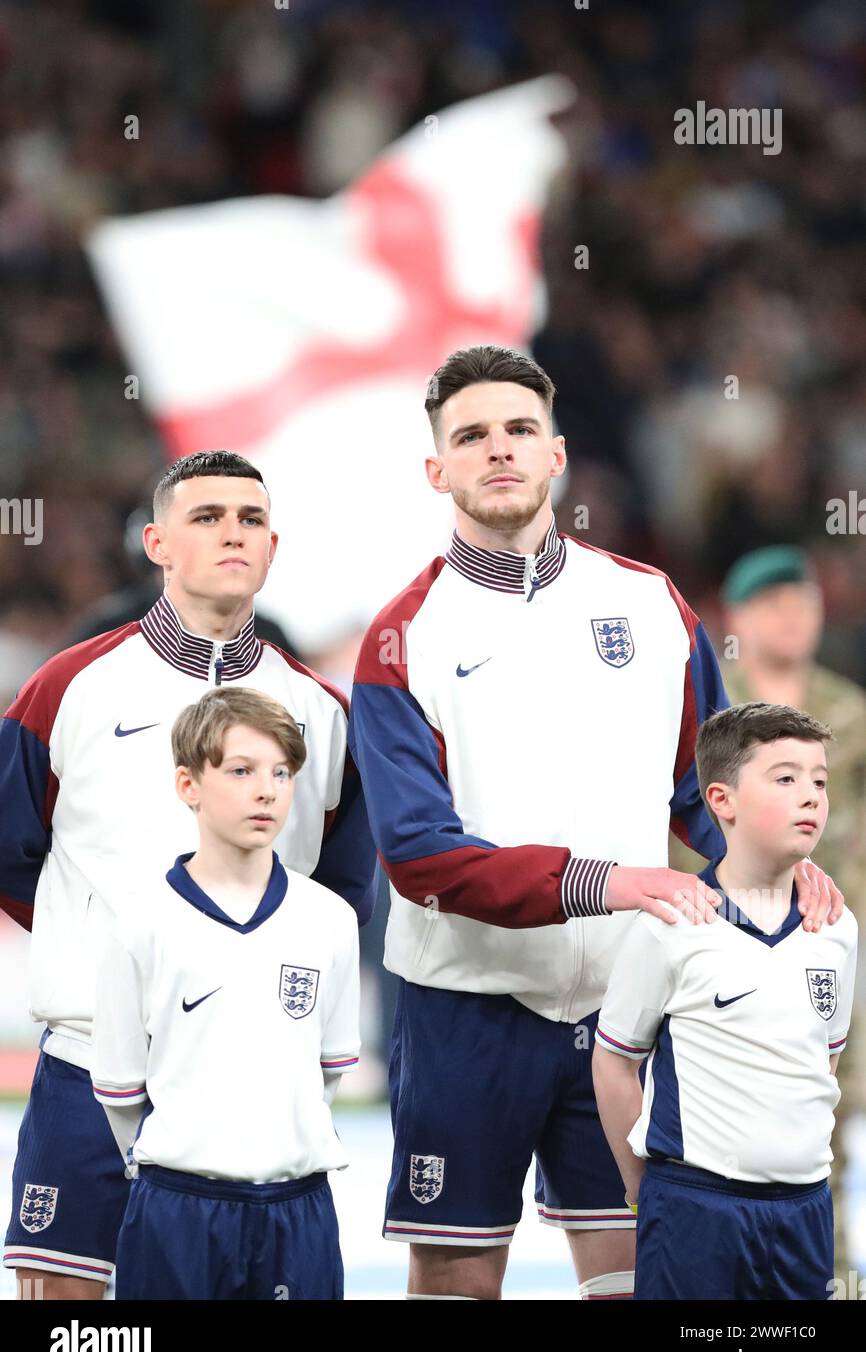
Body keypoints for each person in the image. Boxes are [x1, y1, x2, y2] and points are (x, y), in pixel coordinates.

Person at [348, 345, 841, 1302]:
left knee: (637, 1272)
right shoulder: (403, 636)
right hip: (465, 1004)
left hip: (628, 1003)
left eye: (520, 430)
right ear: (435, 469)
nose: (499, 451)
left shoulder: (649, 603)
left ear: (558, 453)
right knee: (456, 1276)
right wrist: (614, 881)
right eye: (472, 436)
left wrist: (776, 863)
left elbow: (706, 791)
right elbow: (417, 856)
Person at [1, 450, 376, 1299]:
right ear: (158, 543)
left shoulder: (323, 713)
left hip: (254, 1076)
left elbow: (340, 894)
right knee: (71, 1320)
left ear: (274, 545)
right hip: (89, 1065)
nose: (230, 534)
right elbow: (7, 842)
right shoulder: (74, 686)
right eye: (206, 517)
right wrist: (100, 948)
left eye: (249, 519)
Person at [91, 688, 359, 1300]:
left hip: (299, 1211)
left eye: (282, 772)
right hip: (178, 1210)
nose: (266, 790)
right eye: (241, 771)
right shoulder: (141, 921)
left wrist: (274, 1147)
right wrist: (193, 1152)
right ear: (189, 785)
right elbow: (119, 1089)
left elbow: (331, 1067)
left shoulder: (329, 918)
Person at [593, 702, 858, 1300]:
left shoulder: (838, 929)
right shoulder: (672, 924)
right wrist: (646, 1190)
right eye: (785, 779)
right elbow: (612, 1061)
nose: (811, 796)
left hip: (804, 1209)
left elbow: (825, 1060)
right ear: (721, 801)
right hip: (696, 1208)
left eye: (820, 781)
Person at [669, 543, 866, 1276]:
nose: (792, 616)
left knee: (826, 1122)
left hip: (832, 949)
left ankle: (828, 1283)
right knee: (717, 1124)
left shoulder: (851, 713)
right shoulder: (713, 720)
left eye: (803, 600)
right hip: (729, 945)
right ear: (739, 617)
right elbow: (683, 829)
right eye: (773, 603)